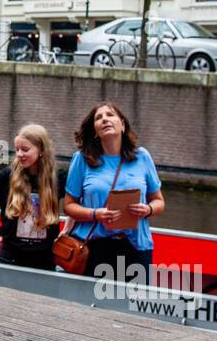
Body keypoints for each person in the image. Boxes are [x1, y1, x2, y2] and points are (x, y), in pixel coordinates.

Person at [61, 103, 164, 283]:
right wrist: (95, 214)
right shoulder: (82, 159)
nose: (105, 119)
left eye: (110, 115)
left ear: (122, 125)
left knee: (133, 308)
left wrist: (147, 209)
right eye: (99, 118)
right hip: (94, 247)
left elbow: (159, 201)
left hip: (136, 247)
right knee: (91, 306)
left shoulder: (142, 157)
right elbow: (69, 206)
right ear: (94, 130)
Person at [0, 124, 65, 270]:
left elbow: (77, 199)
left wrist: (67, 230)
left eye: (25, 149)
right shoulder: (7, 176)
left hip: (45, 260)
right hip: (10, 258)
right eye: (17, 149)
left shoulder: (58, 178)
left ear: (41, 150)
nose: (19, 154)